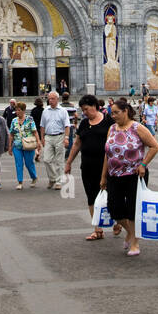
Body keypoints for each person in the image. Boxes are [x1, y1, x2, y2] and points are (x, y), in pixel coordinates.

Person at [102, 98, 158, 256]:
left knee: (133, 209)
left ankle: (135, 242)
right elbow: (107, 154)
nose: (113, 116)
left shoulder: (137, 128)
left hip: (134, 175)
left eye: (116, 113)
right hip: (114, 175)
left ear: (125, 111)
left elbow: (155, 146)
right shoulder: (112, 129)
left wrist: (143, 164)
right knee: (114, 209)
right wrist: (103, 177)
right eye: (111, 113)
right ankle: (130, 231)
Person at [65, 94, 111, 238]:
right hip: (87, 166)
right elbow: (77, 143)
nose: (84, 112)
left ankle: (117, 221)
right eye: (82, 110)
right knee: (91, 197)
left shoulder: (109, 122)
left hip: (107, 167)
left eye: (85, 109)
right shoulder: (85, 123)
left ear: (94, 106)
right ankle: (97, 230)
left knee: (111, 196)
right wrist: (69, 162)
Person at [38, 90, 71, 189]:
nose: (50, 100)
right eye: (49, 99)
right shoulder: (45, 111)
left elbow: (67, 126)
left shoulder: (63, 111)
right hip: (48, 137)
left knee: (59, 160)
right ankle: (52, 178)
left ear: (57, 99)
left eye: (52, 99)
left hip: (60, 136)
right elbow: (42, 125)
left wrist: (66, 138)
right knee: (46, 159)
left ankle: (58, 182)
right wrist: (42, 138)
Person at [9, 102, 40, 189]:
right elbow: (11, 134)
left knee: (29, 163)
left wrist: (38, 142)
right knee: (19, 164)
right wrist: (9, 146)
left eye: (19, 110)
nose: (17, 112)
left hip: (28, 145)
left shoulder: (30, 119)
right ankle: (20, 182)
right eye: (16, 110)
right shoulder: (14, 121)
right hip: (17, 145)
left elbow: (35, 131)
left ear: (23, 110)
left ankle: (34, 177)